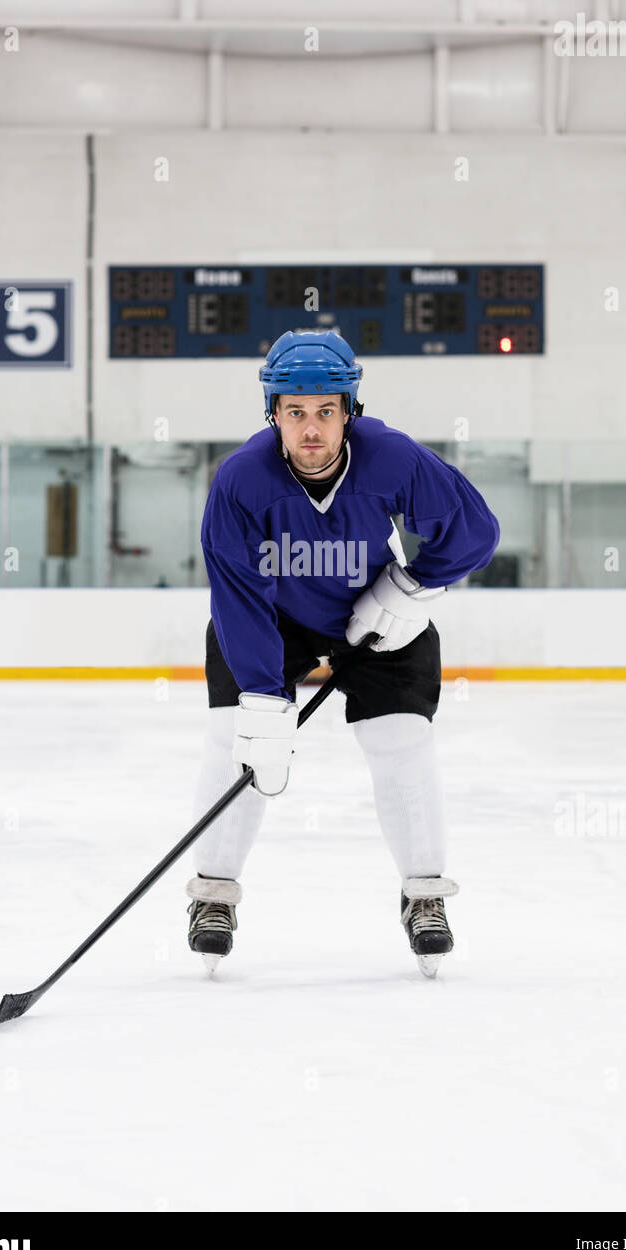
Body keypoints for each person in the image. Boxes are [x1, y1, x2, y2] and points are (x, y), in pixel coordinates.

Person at [187, 329, 500, 976]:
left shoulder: (391, 458)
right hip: (272, 623)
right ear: (271, 412)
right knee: (235, 739)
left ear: (349, 410)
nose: (310, 429)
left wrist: (410, 588)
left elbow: (473, 530)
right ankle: (212, 896)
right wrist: (263, 700)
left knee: (402, 744)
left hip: (375, 616)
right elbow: (238, 595)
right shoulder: (241, 481)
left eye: (325, 411)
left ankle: (423, 896)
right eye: (294, 412)